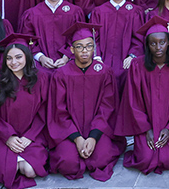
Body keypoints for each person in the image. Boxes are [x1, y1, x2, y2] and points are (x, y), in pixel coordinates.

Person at [116, 17, 169, 174]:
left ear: (168, 43)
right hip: (145, 124)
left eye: (162, 42)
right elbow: (133, 102)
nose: (158, 47)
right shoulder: (137, 66)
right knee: (145, 160)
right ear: (147, 45)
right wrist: (146, 129)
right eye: (153, 43)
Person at [47, 26, 125, 181]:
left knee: (101, 159)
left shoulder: (104, 72)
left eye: (89, 46)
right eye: (79, 46)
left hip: (98, 128)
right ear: (72, 49)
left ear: (94, 48)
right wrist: (77, 138)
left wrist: (93, 137)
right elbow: (58, 110)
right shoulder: (62, 75)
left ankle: (94, 143)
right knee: (68, 163)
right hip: (69, 131)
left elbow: (107, 107)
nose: (84, 51)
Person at [0, 35, 50, 189]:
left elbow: (44, 111)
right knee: (9, 171)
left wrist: (30, 136)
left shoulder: (41, 78)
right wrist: (8, 137)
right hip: (1, 138)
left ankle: (21, 160)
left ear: (27, 57)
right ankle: (16, 160)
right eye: (9, 58)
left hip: (32, 135)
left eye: (18, 57)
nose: (13, 62)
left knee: (30, 171)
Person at [21, 0, 87, 71]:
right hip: (40, 64)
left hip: (69, 61)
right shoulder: (32, 13)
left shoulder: (74, 12)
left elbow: (78, 36)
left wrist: (66, 56)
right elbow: (28, 38)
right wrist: (40, 57)